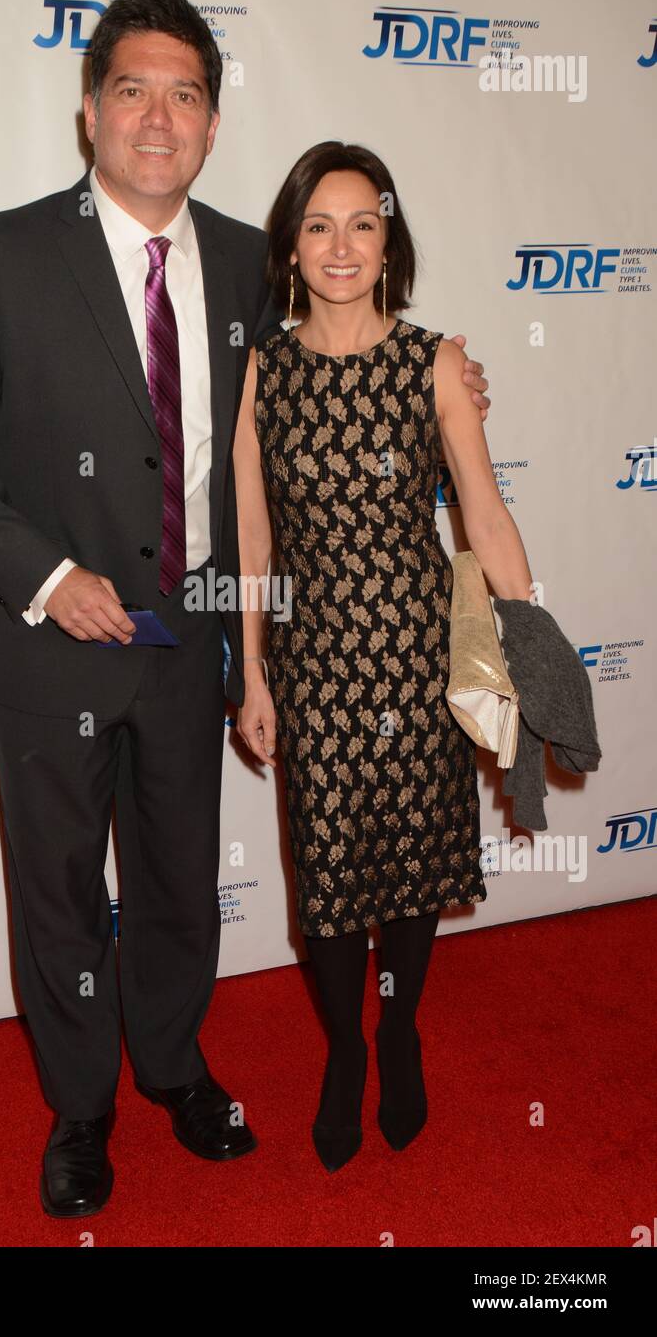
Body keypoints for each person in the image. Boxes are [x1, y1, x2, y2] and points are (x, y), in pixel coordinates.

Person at [0, 0, 491, 1219]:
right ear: (90, 110)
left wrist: (450, 383)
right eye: (134, 90)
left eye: (186, 95)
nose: (159, 117)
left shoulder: (243, 261)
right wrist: (52, 580)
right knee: (59, 889)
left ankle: (173, 1068)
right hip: (49, 648)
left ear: (213, 125)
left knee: (176, 879)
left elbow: (330, 363)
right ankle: (81, 1109)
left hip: (192, 643)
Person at [233, 141, 533, 1172]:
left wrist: (529, 637)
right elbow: (256, 541)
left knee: (409, 871)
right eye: (320, 224)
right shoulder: (262, 372)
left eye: (364, 223)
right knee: (326, 880)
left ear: (390, 239)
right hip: (316, 663)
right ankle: (345, 1051)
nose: (342, 244)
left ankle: (398, 1032)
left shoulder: (434, 361)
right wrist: (255, 670)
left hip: (418, 656)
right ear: (292, 245)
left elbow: (484, 519)